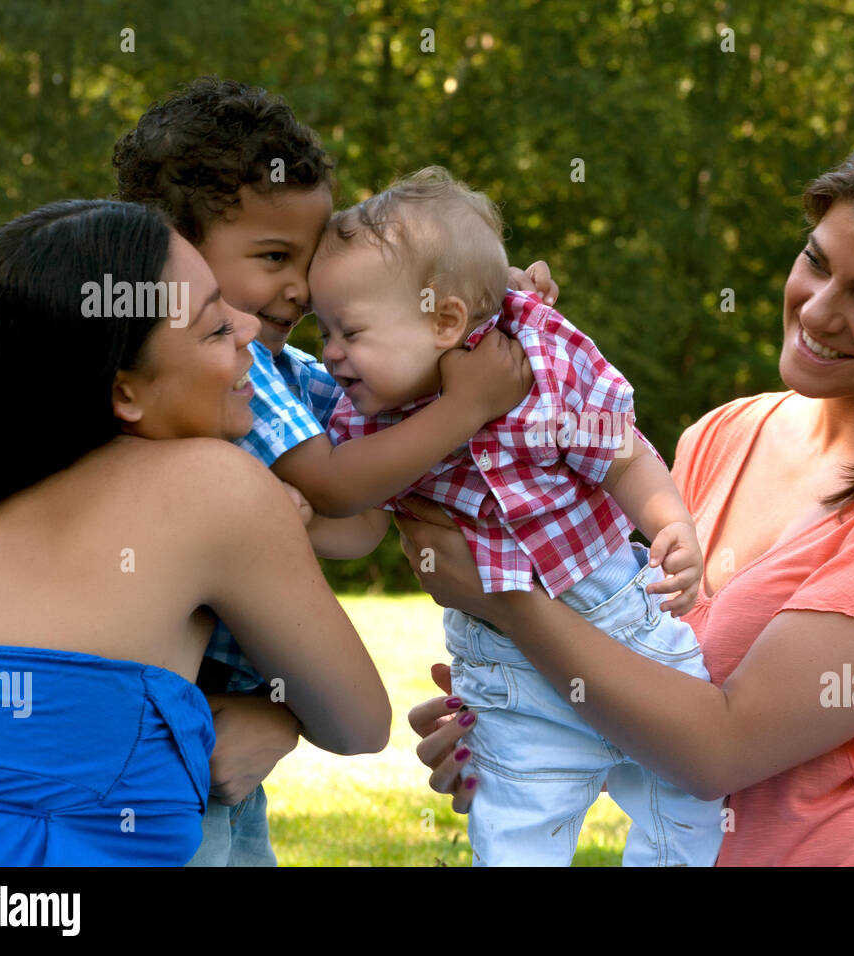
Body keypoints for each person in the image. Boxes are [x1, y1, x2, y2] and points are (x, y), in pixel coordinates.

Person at [399, 119, 854, 866]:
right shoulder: (726, 434)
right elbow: (641, 673)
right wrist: (522, 731)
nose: (816, 310)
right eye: (816, 260)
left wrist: (505, 599)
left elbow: (721, 746)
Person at [112, 77, 554, 864]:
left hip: (231, 742)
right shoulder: (228, 368)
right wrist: (466, 408)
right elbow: (342, 485)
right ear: (169, 251)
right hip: (150, 749)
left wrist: (485, 304)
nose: (301, 288)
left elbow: (359, 512)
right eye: (274, 257)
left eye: (308, 260)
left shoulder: (288, 373)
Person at [0, 199, 390, 865]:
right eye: (211, 329)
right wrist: (278, 713)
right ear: (124, 394)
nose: (247, 329)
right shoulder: (213, 482)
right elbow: (359, 722)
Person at [311, 166, 724, 866]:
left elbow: (619, 454)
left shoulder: (537, 357)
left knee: (689, 806)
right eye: (322, 330)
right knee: (514, 838)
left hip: (626, 626)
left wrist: (671, 523)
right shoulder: (366, 423)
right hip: (509, 680)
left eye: (347, 332)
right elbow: (361, 523)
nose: (328, 352)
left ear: (444, 320)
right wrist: (297, 520)